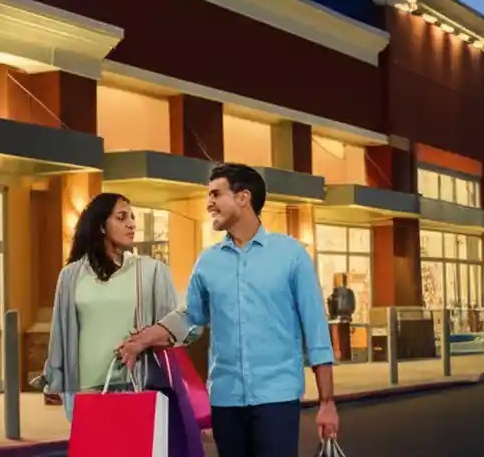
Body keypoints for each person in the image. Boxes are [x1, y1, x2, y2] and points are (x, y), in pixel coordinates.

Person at [118, 163, 339, 457]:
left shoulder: (291, 255)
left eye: (216, 194)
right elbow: (190, 318)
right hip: (225, 400)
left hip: (277, 398)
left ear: (243, 197)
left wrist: (327, 402)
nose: (208, 203)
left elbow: (316, 331)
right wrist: (145, 338)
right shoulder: (208, 262)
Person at [38, 192, 185, 422]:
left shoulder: (152, 272)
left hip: (137, 384)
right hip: (85, 389)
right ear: (101, 226)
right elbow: (60, 332)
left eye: (132, 217)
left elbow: (176, 326)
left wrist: (143, 340)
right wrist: (54, 379)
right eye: (121, 217)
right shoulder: (71, 276)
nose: (131, 224)